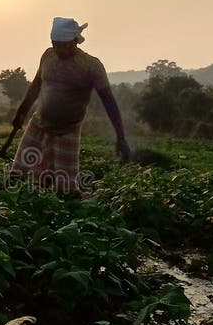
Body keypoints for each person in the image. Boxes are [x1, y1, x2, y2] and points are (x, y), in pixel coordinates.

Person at [9, 17, 130, 193]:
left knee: (66, 189)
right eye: (55, 44)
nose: (59, 49)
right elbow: (36, 86)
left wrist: (121, 137)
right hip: (38, 124)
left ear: (75, 41)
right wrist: (20, 113)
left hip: (67, 131)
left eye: (63, 45)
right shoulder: (48, 56)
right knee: (18, 173)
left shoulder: (91, 66)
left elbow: (109, 101)